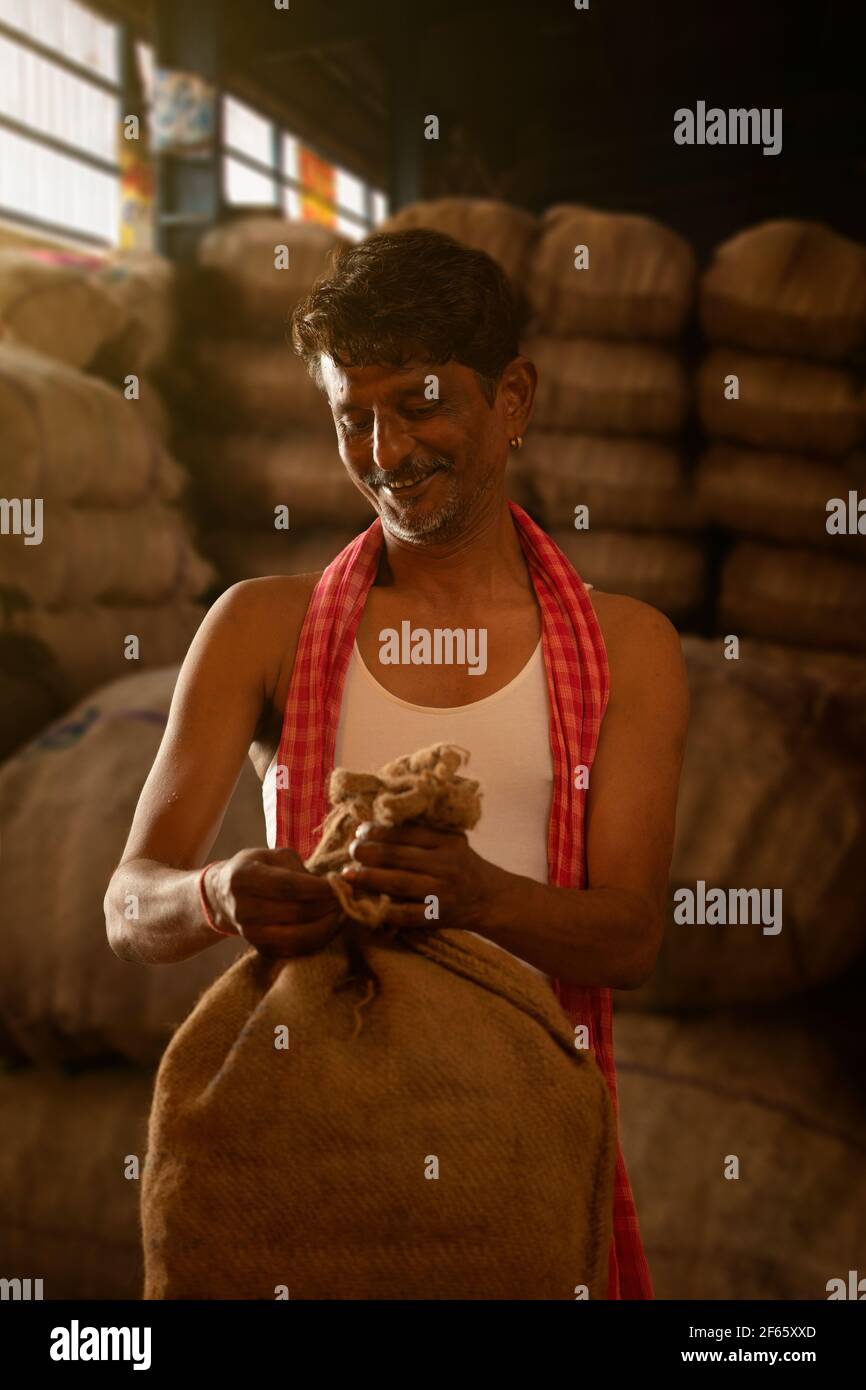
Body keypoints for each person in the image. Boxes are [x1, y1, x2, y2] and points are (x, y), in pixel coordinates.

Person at [104, 227, 689, 1299]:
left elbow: (631, 935)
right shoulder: (256, 627)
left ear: (510, 397)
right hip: (304, 1144)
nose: (384, 449)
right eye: (349, 416)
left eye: (418, 403)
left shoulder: (627, 648)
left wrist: (477, 897)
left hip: (506, 1147)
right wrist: (219, 892)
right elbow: (129, 906)